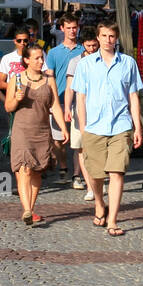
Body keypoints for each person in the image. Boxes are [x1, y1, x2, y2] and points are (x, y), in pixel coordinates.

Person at [72, 19, 143, 236]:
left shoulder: (128, 63)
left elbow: (133, 96)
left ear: (116, 38)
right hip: (93, 126)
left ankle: (112, 220)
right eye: (103, 36)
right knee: (95, 175)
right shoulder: (85, 65)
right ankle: (100, 204)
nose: (107, 40)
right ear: (97, 37)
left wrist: (137, 127)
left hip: (121, 125)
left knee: (117, 172)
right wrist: (83, 128)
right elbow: (80, 98)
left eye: (111, 36)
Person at [6, 41, 68, 225]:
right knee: (24, 169)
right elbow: (8, 106)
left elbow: (55, 105)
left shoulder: (49, 80)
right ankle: (26, 209)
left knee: (36, 172)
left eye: (42, 57)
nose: (41, 61)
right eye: (37, 58)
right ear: (26, 60)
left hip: (42, 130)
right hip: (22, 130)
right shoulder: (16, 79)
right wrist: (16, 100)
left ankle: (30, 209)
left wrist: (63, 128)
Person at [44, 16, 85, 187]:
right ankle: (63, 167)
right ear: (62, 28)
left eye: (74, 27)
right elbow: (49, 77)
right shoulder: (53, 52)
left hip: (79, 101)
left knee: (78, 140)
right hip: (58, 99)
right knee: (58, 139)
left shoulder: (84, 50)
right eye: (69, 28)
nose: (72, 31)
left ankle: (77, 174)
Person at [63, 27, 98, 203]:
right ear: (83, 45)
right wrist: (67, 108)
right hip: (80, 109)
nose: (91, 49)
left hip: (98, 110)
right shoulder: (75, 62)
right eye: (88, 46)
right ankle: (90, 186)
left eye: (94, 45)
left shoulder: (103, 60)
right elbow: (70, 87)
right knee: (81, 149)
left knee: (98, 149)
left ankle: (97, 181)